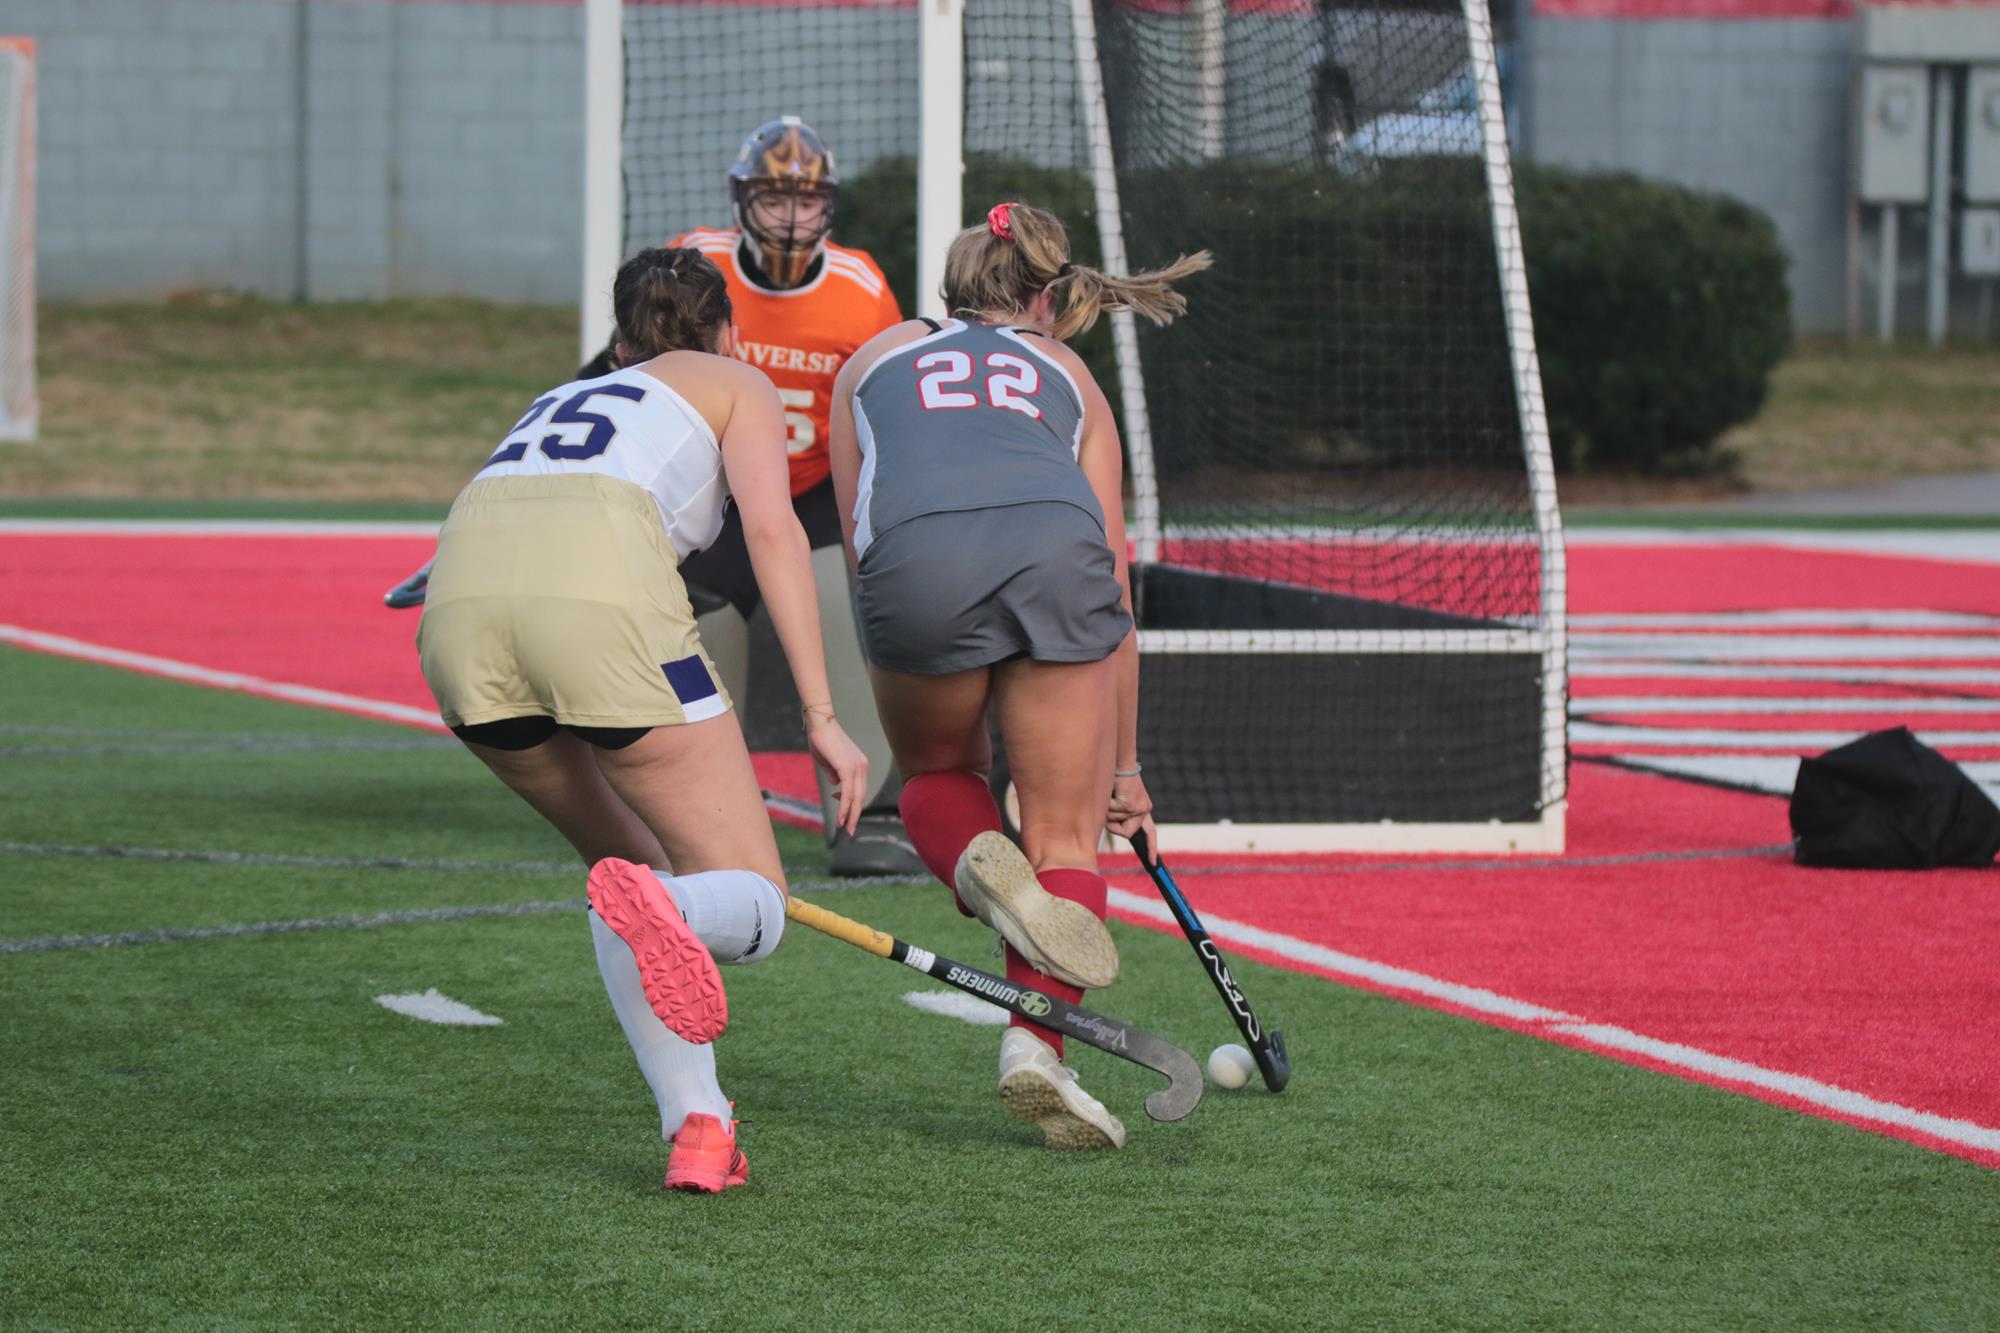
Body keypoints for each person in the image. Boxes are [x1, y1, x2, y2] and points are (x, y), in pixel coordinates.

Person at [417, 246, 867, 1194]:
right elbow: (774, 531)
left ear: (620, 343)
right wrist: (823, 716)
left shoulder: (559, 397)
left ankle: (701, 1128)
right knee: (753, 901)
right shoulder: (737, 379)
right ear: (729, 333)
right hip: (601, 613)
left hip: (458, 626)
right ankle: (681, 929)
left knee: (630, 880)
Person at [388, 117, 919, 879]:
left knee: (843, 622)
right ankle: (704, 805)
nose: (791, 217)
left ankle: (857, 814)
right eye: (774, 198)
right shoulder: (709, 295)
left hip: (797, 491)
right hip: (714, 507)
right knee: (708, 642)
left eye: (805, 200)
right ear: (729, 333)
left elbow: (876, 399)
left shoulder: (857, 286)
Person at [826, 201, 1211, 1150]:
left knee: (938, 773)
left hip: (916, 566)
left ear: (951, 286)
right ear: (1047, 296)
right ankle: (1034, 1050)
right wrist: (1126, 770)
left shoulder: (870, 362)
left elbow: (857, 535)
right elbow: (1114, 581)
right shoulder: (1070, 373)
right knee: (1066, 835)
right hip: (1055, 552)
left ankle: (973, 862)